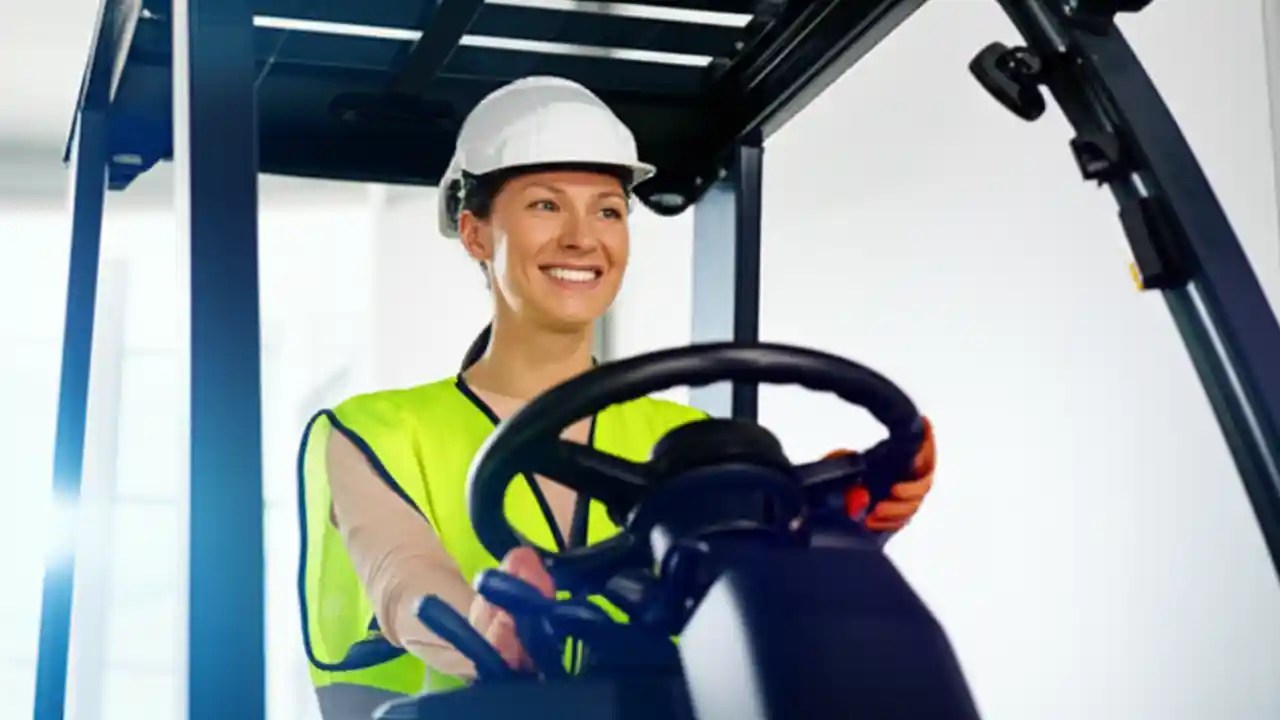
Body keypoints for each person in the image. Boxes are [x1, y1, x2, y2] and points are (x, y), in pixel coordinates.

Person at [295, 75, 937, 718]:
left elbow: (745, 598)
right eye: (546, 205)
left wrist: (835, 527)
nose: (583, 237)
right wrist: (481, 623)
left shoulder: (682, 436)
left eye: (607, 209)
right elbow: (399, 578)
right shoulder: (374, 431)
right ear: (475, 234)